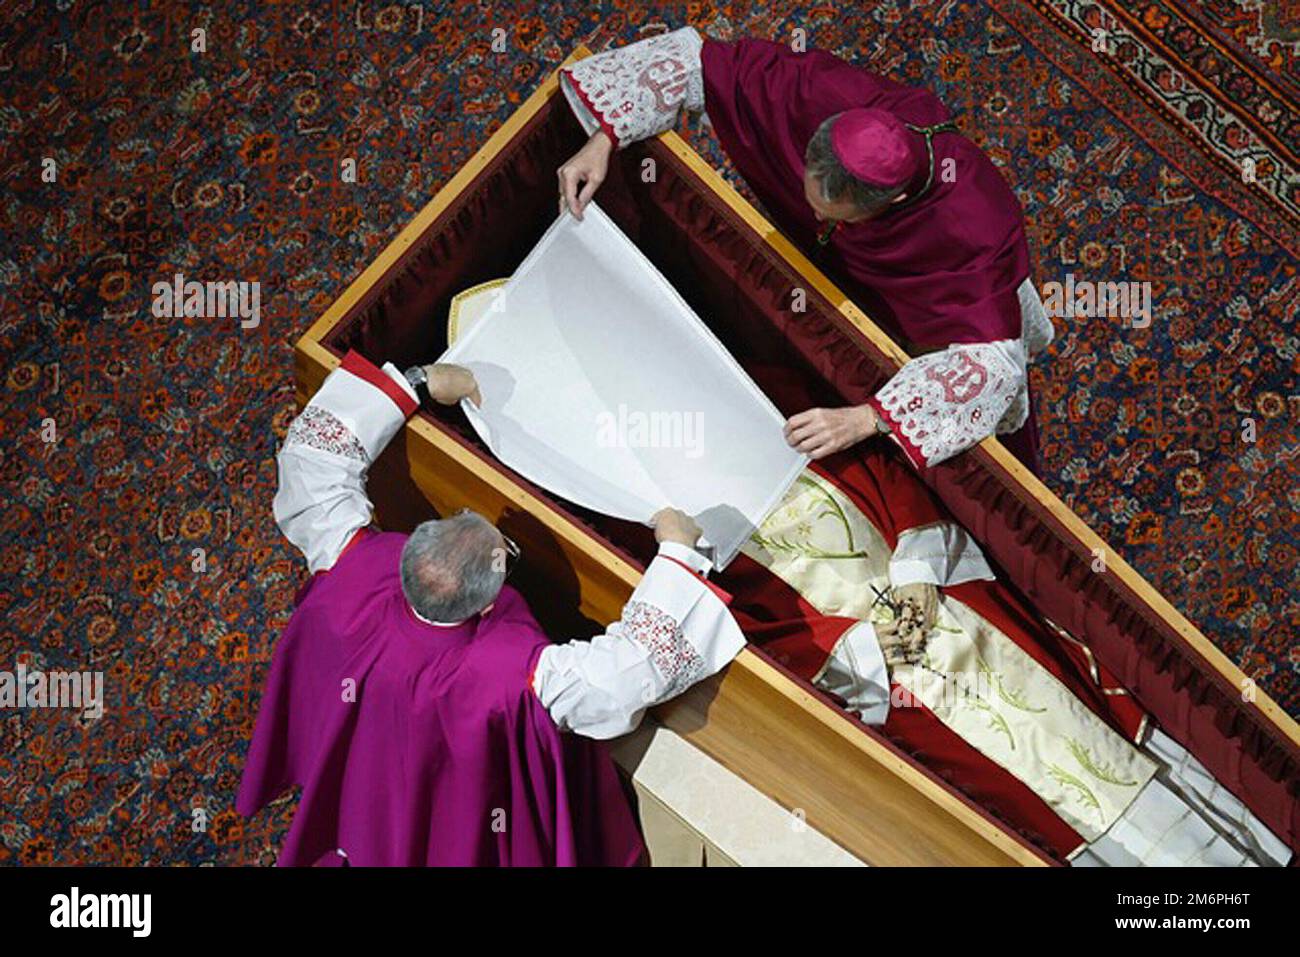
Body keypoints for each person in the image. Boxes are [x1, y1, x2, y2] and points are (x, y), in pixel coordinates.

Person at [713, 365, 1291, 865]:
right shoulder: (661, 523)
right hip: (897, 690)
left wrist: (916, 575)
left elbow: (885, 474)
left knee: (1094, 736)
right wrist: (857, 647)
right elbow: (738, 634)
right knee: (1051, 803)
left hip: (957, 605)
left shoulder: (766, 399)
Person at [236, 350, 746, 866]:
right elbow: (627, 674)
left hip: (373, 743)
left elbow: (312, 462)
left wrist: (418, 382)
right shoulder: (518, 676)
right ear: (488, 600)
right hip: (459, 792)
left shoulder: (352, 565)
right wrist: (679, 552)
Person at [555, 26, 1053, 473]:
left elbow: (992, 364)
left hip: (914, 306)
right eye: (812, 200)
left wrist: (868, 419)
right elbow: (697, 60)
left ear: (894, 201)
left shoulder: (974, 226)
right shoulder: (822, 93)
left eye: (834, 216)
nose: (816, 218)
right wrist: (604, 138)